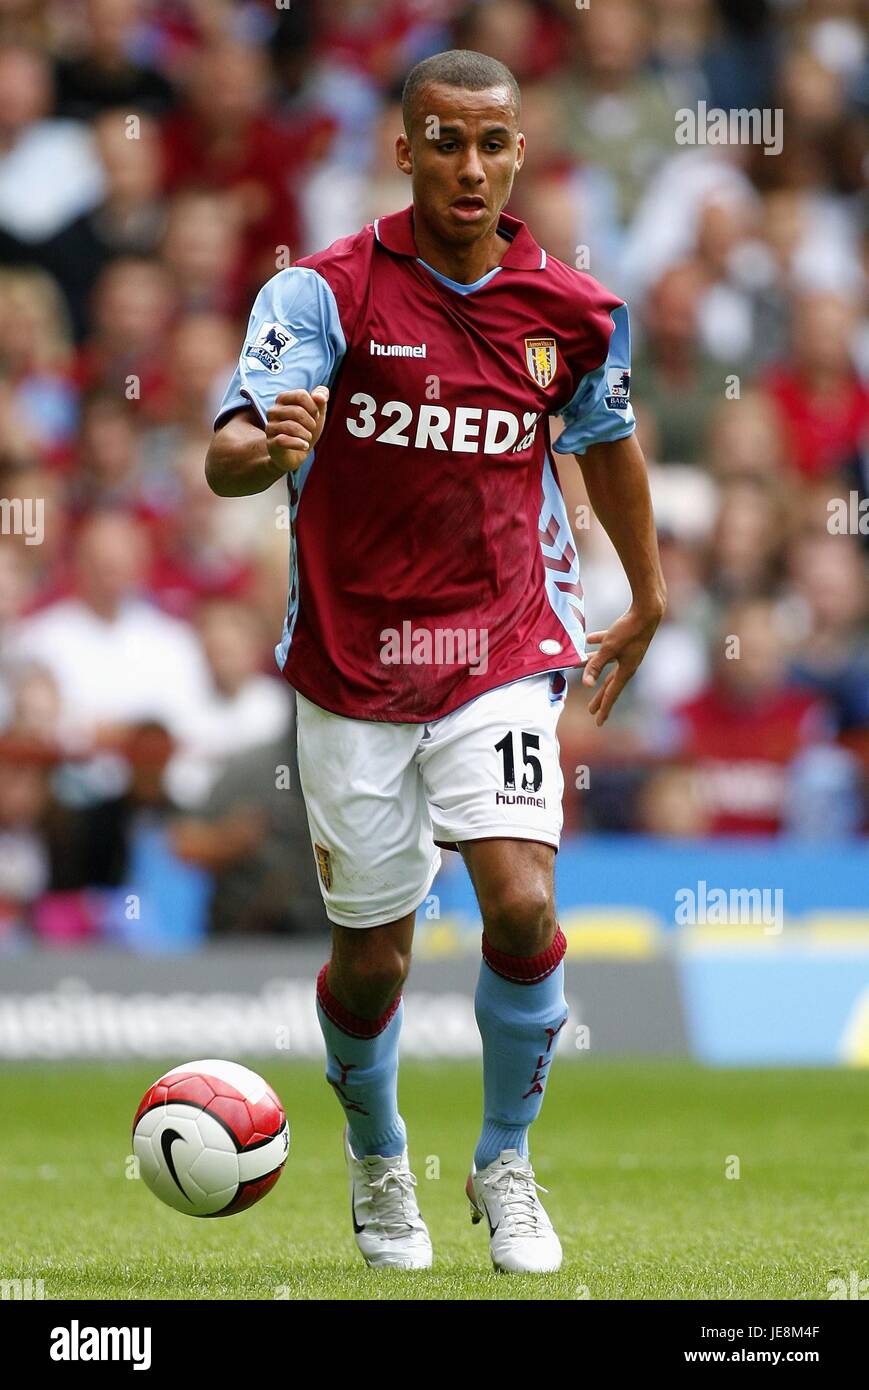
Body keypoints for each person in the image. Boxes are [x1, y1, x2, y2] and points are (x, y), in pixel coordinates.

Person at [206, 50, 666, 1275]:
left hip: (501, 646)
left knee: (519, 900)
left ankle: (504, 1159)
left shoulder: (570, 309)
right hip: (353, 668)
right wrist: (269, 446)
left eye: (491, 142)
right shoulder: (321, 294)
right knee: (375, 954)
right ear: (402, 148)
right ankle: (376, 1154)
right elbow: (230, 454)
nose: (469, 165)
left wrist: (650, 590)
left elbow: (607, 438)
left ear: (519, 152)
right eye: (443, 141)